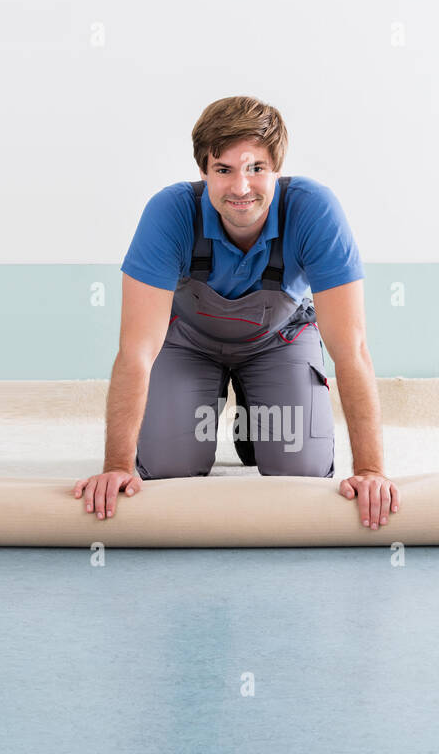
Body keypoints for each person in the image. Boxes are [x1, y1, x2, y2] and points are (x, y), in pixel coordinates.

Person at [73, 96, 399, 531]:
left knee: (299, 473)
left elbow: (351, 349)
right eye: (224, 170)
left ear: (277, 170)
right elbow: (136, 350)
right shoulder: (170, 213)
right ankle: (208, 400)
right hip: (187, 342)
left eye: (256, 169)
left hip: (276, 342)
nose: (241, 187)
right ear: (204, 172)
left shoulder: (315, 210)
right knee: (169, 470)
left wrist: (371, 471)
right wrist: (115, 464)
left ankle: (252, 418)